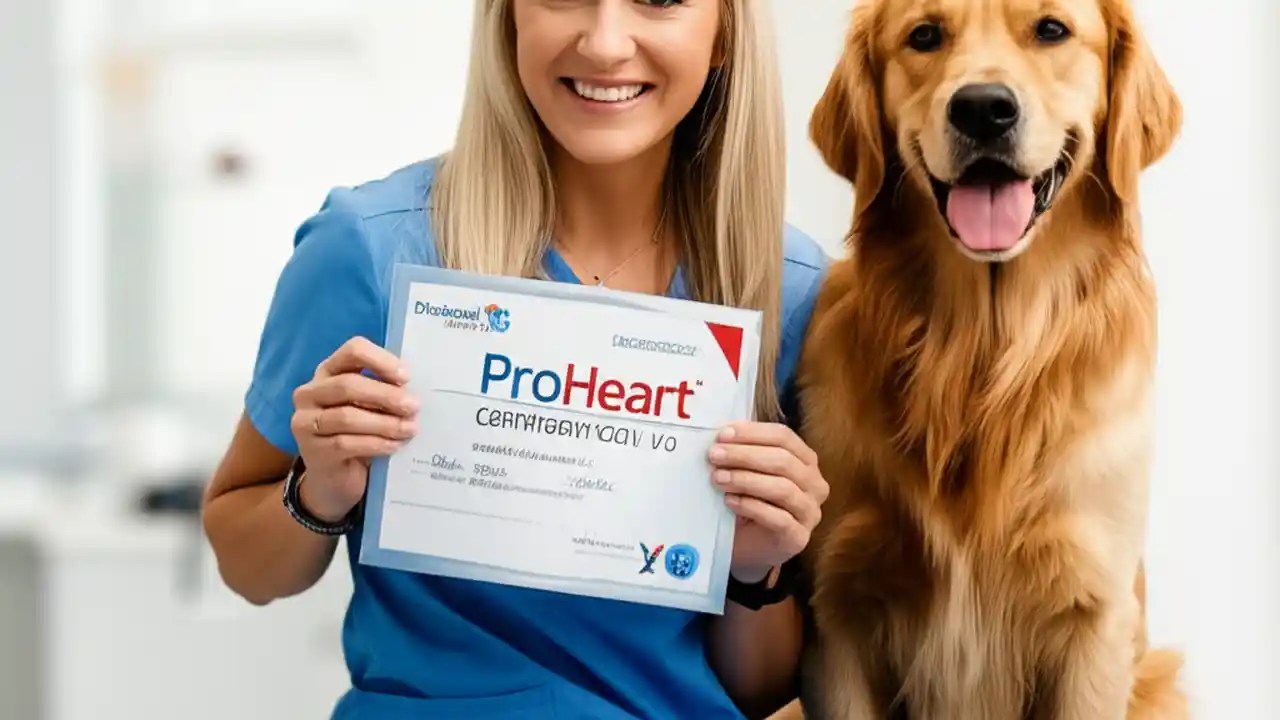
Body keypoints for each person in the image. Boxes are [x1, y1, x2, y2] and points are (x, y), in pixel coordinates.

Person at [201, 0, 831, 718]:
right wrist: (318, 493)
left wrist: (756, 571)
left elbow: (763, 690)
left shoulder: (798, 294)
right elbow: (243, 568)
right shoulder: (370, 249)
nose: (604, 42)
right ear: (507, 18)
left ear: (724, 37)